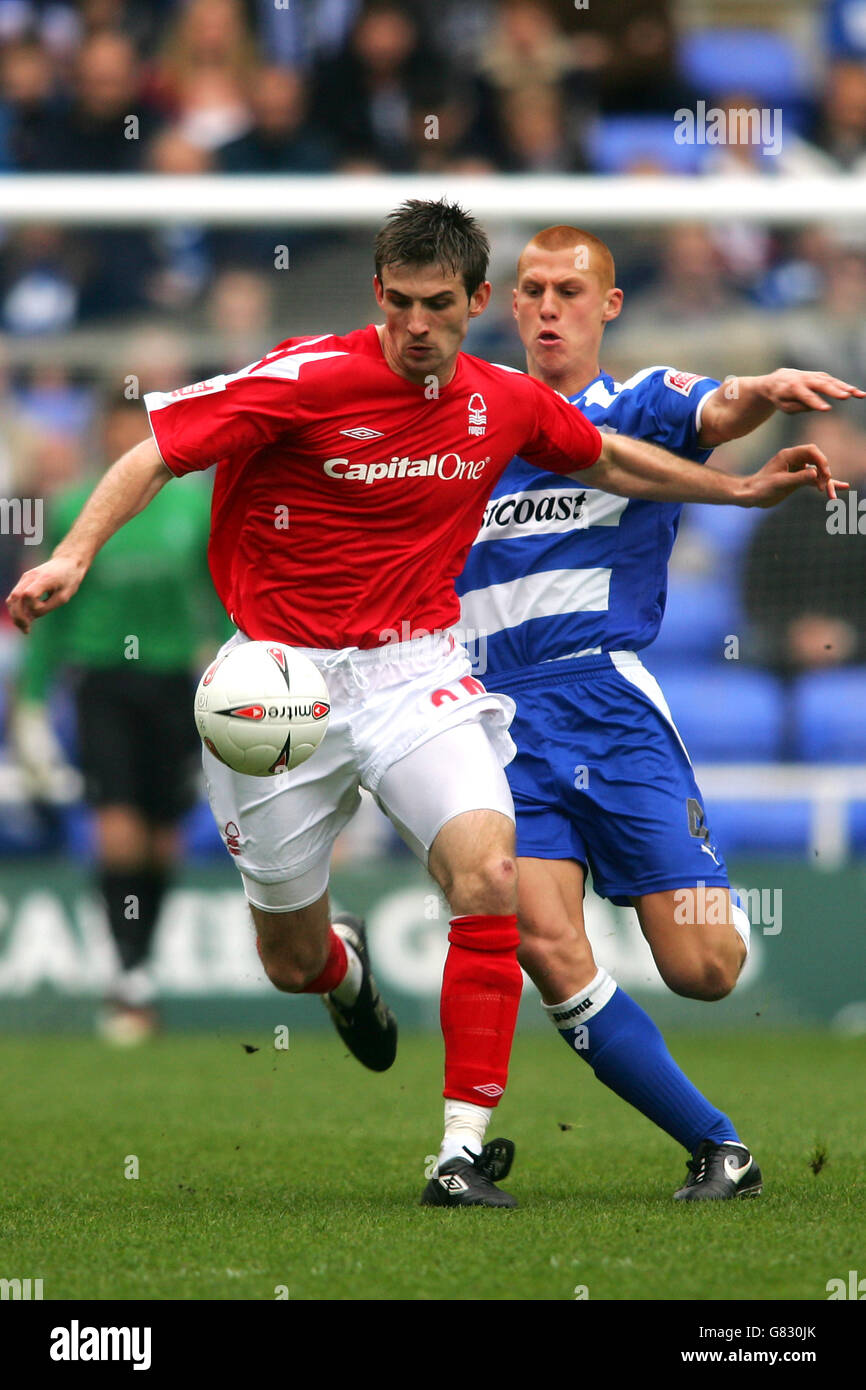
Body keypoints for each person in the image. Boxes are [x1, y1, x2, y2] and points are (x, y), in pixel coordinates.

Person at [6, 201, 842, 1209]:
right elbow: (154, 451)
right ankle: (352, 977)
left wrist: (745, 481)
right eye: (397, 303)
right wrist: (71, 552)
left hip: (451, 677)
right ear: (382, 298)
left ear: (473, 303)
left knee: (598, 918)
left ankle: (461, 1149)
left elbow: (648, 440)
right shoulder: (312, 376)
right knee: (299, 955)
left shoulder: (543, 402)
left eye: (438, 305)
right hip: (292, 682)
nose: (415, 324)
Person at [456, 223, 862, 1199]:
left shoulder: (632, 402)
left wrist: (754, 392)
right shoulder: (463, 427)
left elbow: (712, 410)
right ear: (511, 306)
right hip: (493, 719)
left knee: (705, 965)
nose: (548, 306)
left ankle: (647, 878)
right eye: (533, 290)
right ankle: (718, 1148)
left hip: (605, 704)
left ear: (608, 306)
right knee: (547, 948)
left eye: (569, 290)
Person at [11, 394, 225, 1042]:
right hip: (103, 683)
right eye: (121, 427)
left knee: (163, 840)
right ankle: (127, 973)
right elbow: (57, 611)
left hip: (173, 685)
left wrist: (237, 658)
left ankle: (140, 966)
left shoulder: (192, 505)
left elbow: (217, 593)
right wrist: (30, 696)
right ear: (106, 433)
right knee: (119, 829)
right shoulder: (80, 509)